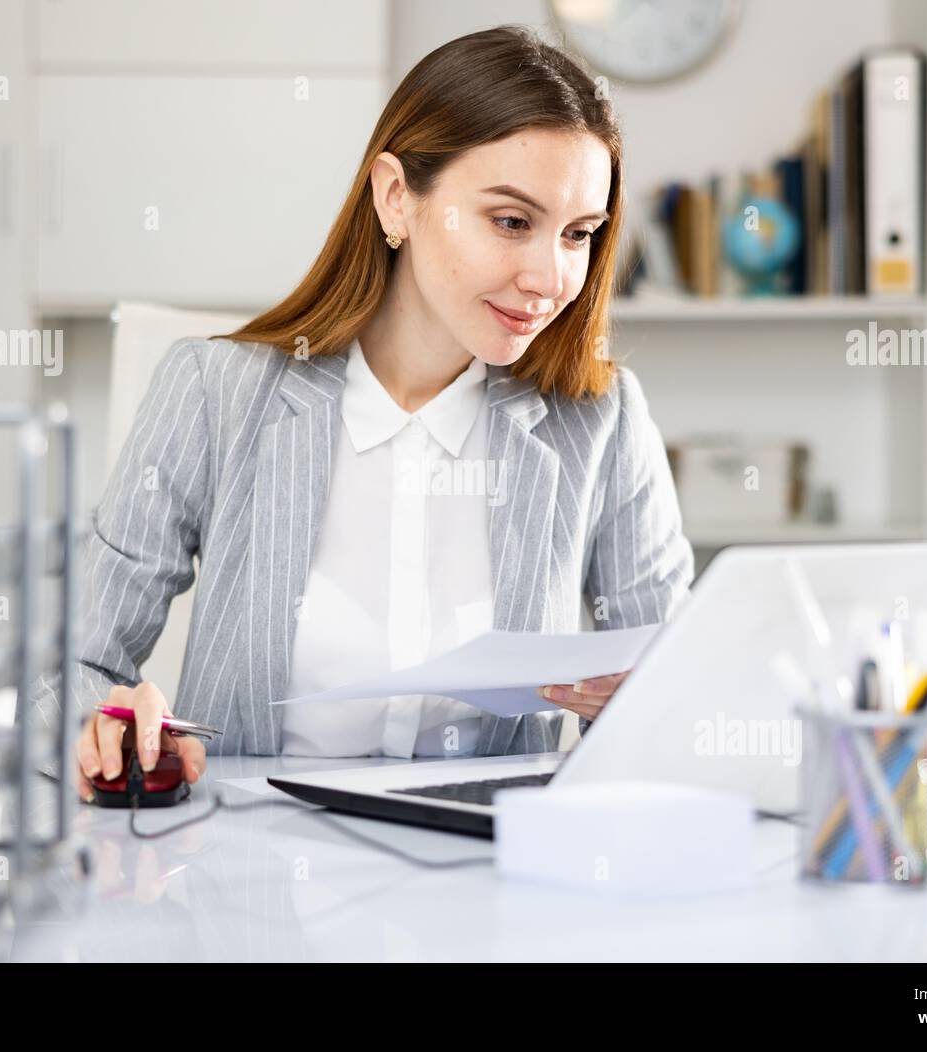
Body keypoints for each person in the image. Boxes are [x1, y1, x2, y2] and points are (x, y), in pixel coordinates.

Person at [34, 25, 694, 802]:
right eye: (512, 222)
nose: (552, 277)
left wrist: (649, 711)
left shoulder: (601, 420)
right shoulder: (216, 394)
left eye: (579, 235)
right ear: (396, 198)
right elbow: (67, 673)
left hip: (489, 886)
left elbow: (685, 689)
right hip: (248, 876)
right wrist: (103, 723)